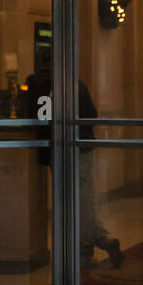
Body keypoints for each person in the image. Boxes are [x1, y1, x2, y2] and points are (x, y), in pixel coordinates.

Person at [22, 66, 123, 268]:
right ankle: (99, 238)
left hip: (57, 149)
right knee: (83, 197)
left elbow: (37, 116)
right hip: (82, 146)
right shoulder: (75, 82)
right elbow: (92, 113)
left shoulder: (36, 83)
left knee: (72, 200)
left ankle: (87, 249)